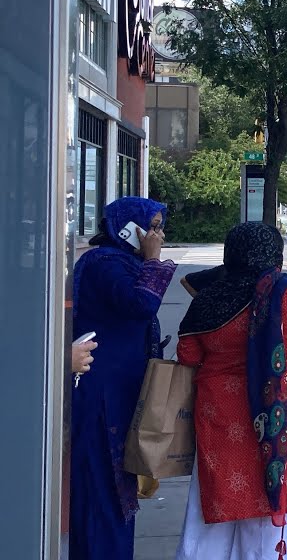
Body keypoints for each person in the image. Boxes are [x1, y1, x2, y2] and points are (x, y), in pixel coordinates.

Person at [175, 223, 287, 560]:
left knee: (216, 500)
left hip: (218, 412)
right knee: (268, 507)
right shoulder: (286, 294)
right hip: (274, 414)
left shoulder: (209, 295)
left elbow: (188, 354)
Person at [69, 197, 176, 560]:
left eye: (161, 227)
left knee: (118, 495)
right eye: (154, 227)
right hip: (103, 398)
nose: (159, 235)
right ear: (129, 228)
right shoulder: (104, 263)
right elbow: (141, 304)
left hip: (121, 392)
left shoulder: (119, 262)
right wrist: (152, 261)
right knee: (103, 495)